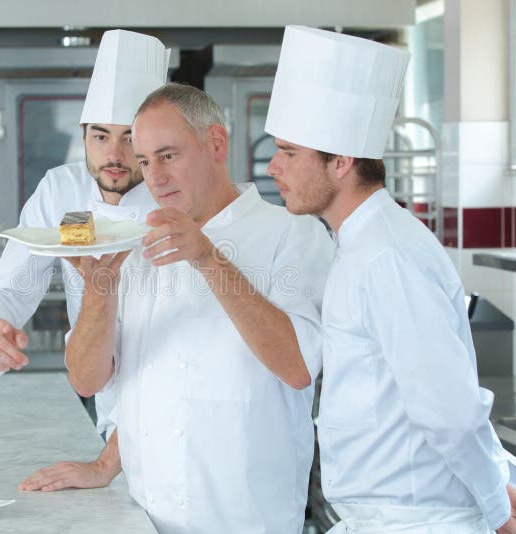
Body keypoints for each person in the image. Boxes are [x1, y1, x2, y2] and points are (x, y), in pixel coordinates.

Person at [265, 25, 516, 534]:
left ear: (341, 162)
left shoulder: (387, 257)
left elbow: (450, 411)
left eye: (288, 151)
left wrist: (492, 502)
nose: (272, 165)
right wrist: (490, 480)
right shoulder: (358, 243)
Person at [63, 82, 335, 533]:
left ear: (215, 144)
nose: (155, 177)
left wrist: (208, 258)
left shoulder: (293, 234)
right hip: (143, 517)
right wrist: (99, 290)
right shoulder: (132, 243)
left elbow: (299, 366)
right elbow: (87, 380)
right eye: (145, 161)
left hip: (247, 519)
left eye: (168, 156)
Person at [0, 29, 167, 454]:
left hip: (175, 405)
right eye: (100, 136)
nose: (114, 154)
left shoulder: (178, 192)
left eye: (130, 138)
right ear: (83, 136)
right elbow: (10, 284)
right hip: (103, 398)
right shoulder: (62, 189)